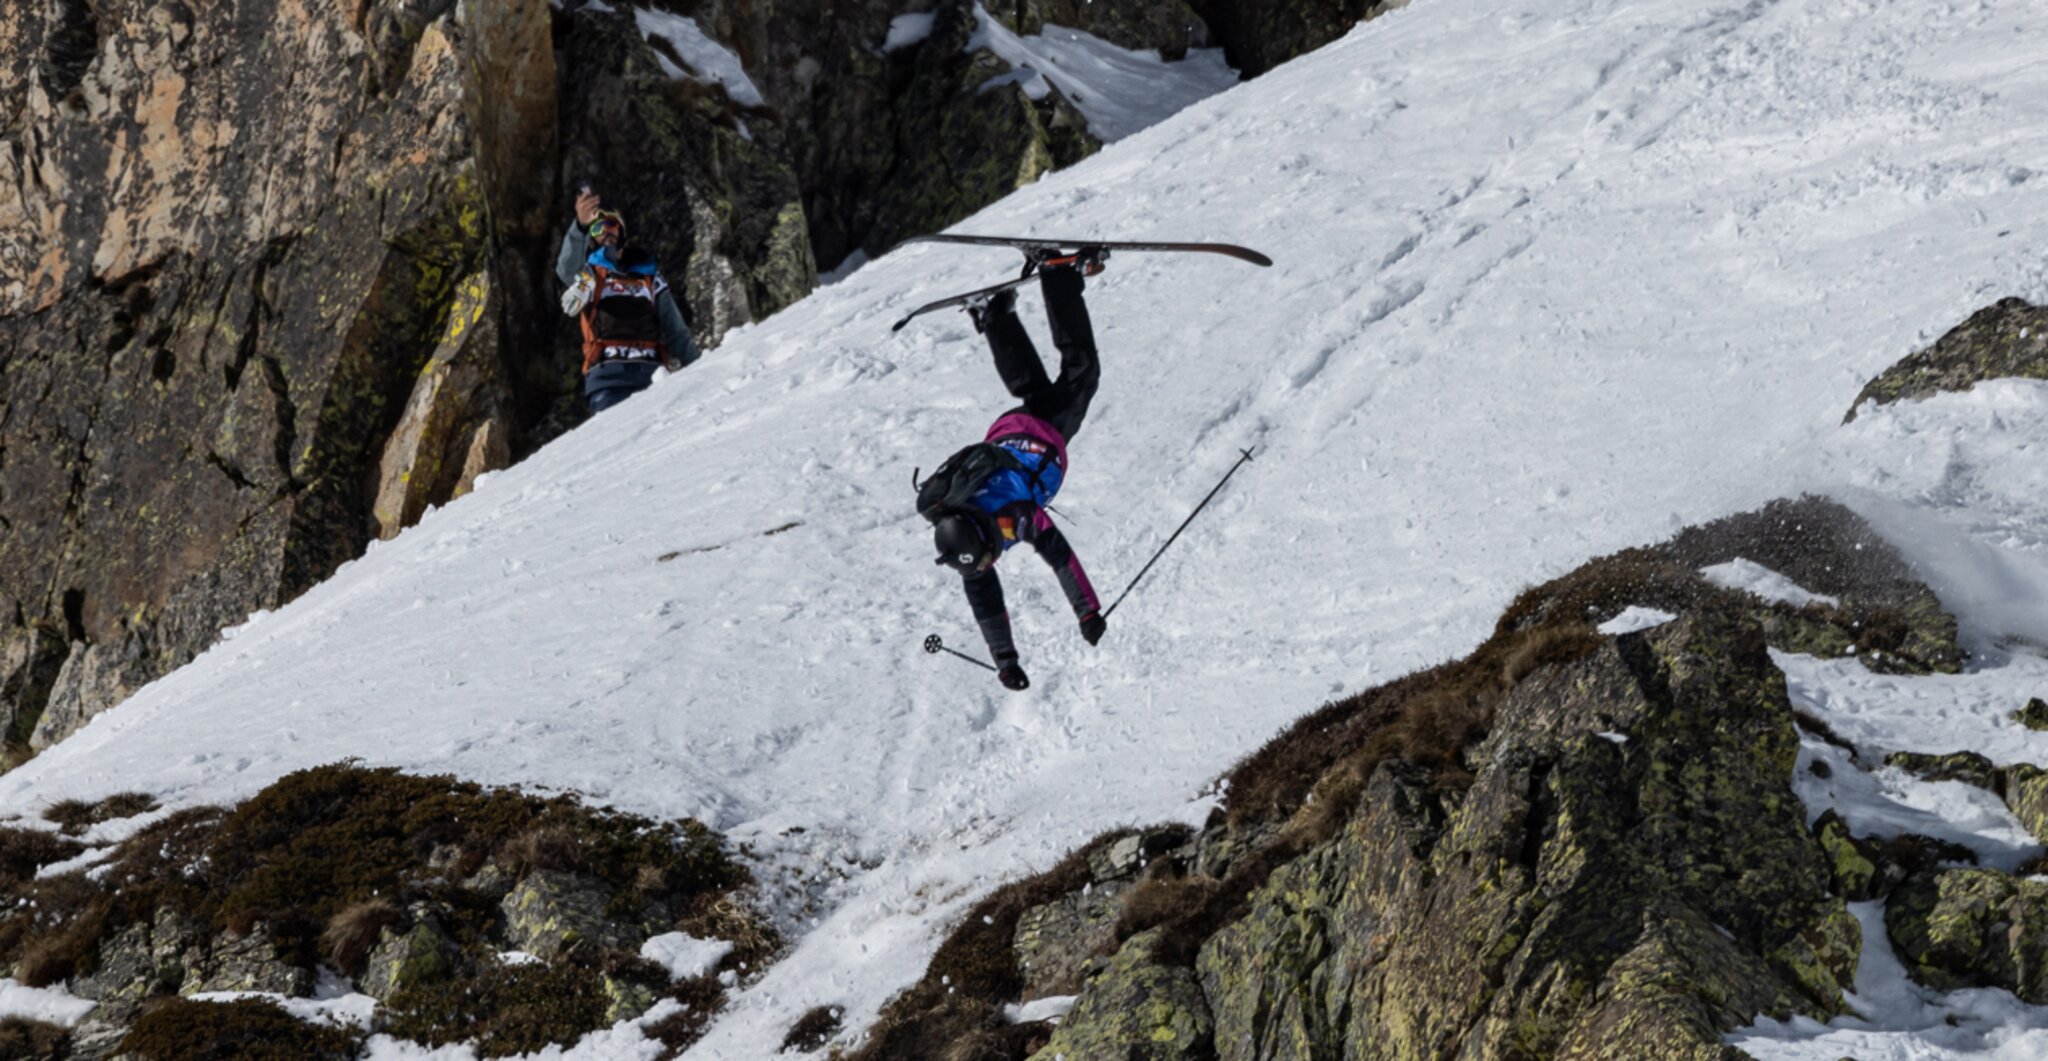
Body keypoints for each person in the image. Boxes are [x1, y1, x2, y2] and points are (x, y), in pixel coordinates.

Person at [923, 254, 1109, 692]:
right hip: (1005, 431)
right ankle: (995, 315)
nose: (990, 565)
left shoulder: (1014, 518)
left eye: (988, 557)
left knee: (1082, 373)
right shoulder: (958, 514)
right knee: (1034, 388)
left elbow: (1061, 558)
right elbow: (985, 603)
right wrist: (1005, 662)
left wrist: (1088, 612)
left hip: (1042, 436)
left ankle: (1058, 273)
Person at [557, 188, 700, 413]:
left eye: (611, 225)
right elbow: (565, 269)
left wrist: (701, 369)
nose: (605, 233)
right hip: (607, 379)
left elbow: (676, 330)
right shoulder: (589, 274)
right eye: (597, 228)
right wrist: (580, 227)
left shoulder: (649, 275)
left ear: (621, 229)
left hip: (652, 375)